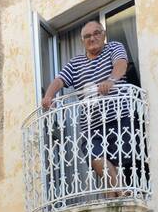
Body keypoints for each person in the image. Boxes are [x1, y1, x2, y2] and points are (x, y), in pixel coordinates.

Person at [40, 21, 131, 198]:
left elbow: (121, 64)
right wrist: (49, 96)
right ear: (82, 41)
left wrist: (111, 80)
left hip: (119, 118)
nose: (92, 38)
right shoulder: (76, 63)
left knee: (118, 161)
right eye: (87, 36)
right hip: (91, 126)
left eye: (97, 33)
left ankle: (114, 198)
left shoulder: (113, 47)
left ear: (103, 34)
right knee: (96, 157)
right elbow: (60, 80)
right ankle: (123, 193)